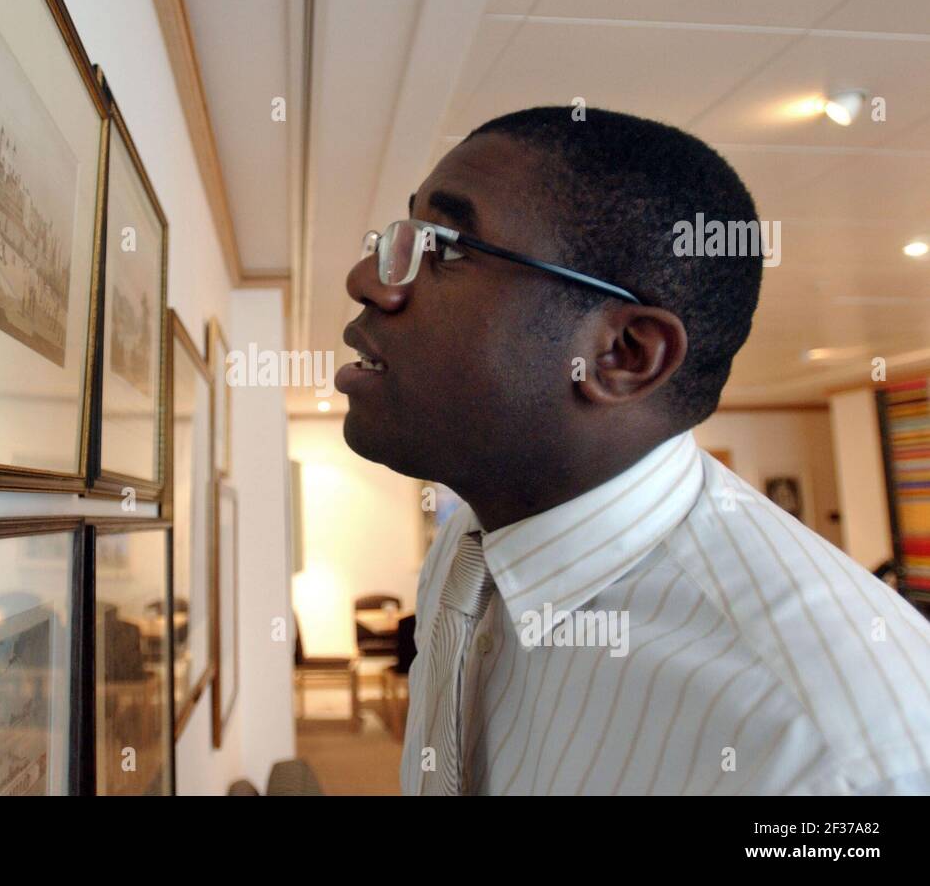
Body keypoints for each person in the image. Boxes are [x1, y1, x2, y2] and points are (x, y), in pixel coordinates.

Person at [336, 106, 930, 796]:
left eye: (446, 246)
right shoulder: (467, 553)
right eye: (404, 234)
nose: (367, 278)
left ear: (624, 354)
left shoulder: (834, 753)